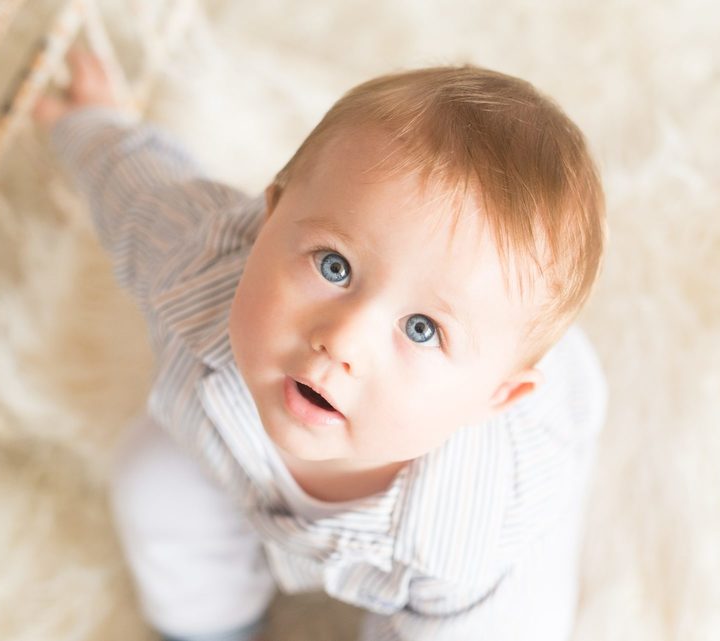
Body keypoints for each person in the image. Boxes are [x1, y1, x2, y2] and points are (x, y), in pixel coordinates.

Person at [34, 45, 608, 641]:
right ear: (268, 219)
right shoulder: (197, 260)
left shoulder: (479, 529)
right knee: (152, 479)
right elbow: (135, 190)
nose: (342, 342)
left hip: (466, 530)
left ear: (495, 395)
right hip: (229, 454)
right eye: (334, 266)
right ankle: (213, 623)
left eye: (422, 329)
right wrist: (92, 124)